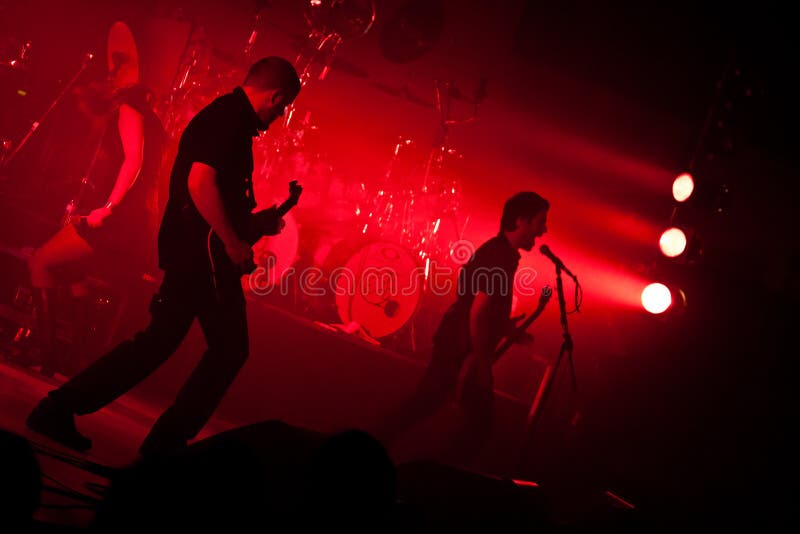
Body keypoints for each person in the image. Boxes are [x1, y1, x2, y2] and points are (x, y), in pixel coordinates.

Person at [25, 56, 302, 457]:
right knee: (227, 348)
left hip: (197, 255)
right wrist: (232, 242)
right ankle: (162, 444)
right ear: (276, 95)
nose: (280, 114)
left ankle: (62, 409)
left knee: (159, 343)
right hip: (202, 259)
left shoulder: (230, 121)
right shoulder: (227, 119)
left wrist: (257, 224)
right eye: (283, 105)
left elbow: (216, 196)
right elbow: (199, 182)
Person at [25, 29, 165, 377]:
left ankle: (50, 358)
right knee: (73, 274)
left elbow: (133, 160)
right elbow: (152, 178)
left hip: (120, 217)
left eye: (117, 69)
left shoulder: (131, 110)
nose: (110, 73)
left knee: (40, 262)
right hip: (135, 222)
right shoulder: (154, 120)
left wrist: (109, 208)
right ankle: (80, 361)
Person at [376, 192, 549, 464]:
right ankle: (426, 471)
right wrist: (481, 365)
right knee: (468, 419)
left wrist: (505, 328)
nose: (544, 230)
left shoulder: (499, 253)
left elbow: (480, 308)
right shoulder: (499, 257)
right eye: (540, 222)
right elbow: (477, 314)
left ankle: (386, 450)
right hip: (459, 348)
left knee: (432, 406)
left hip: (458, 344)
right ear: (521, 220)